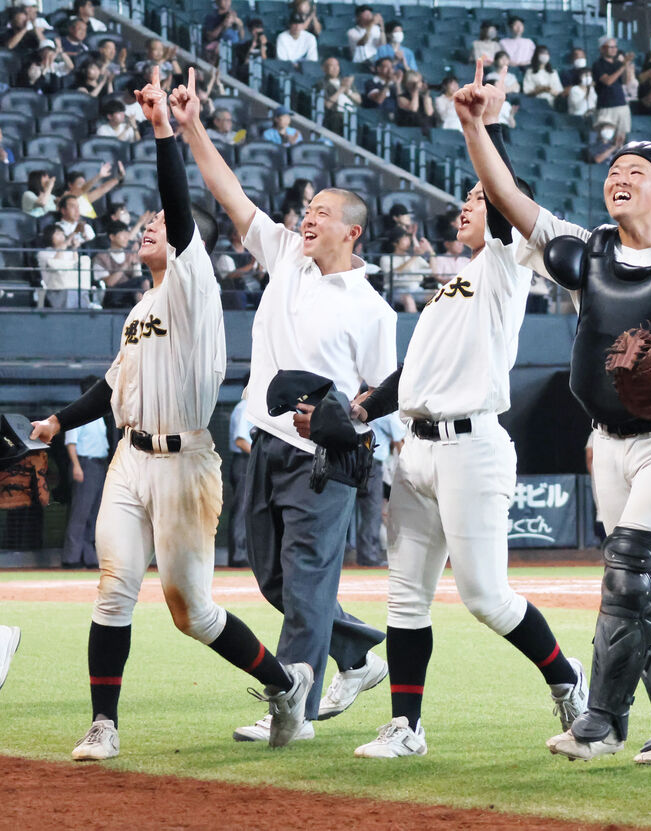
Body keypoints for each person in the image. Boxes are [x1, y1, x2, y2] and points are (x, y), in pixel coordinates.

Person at [459, 49, 651, 762]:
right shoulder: (585, 249)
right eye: (612, 173)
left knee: (628, 567)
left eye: (635, 172)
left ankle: (599, 720)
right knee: (646, 587)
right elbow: (506, 198)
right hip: (608, 441)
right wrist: (479, 128)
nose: (618, 179)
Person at [29, 67, 311, 762]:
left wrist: (163, 131)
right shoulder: (140, 308)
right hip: (131, 459)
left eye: (156, 224)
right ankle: (103, 723)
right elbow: (110, 386)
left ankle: (285, 687)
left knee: (193, 611)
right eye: (146, 224)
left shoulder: (193, 285)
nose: (148, 227)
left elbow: (181, 212)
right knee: (114, 589)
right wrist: (58, 422)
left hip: (185, 463)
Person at [348, 67, 588, 757]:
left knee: (485, 596)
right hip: (416, 448)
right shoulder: (450, 283)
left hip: (471, 446)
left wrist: (488, 122)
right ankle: (406, 726)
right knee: (404, 598)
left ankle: (566, 675)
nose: (466, 205)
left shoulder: (506, 263)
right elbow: (414, 374)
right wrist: (366, 406)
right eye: (466, 198)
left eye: (479, 198)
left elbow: (508, 199)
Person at [175, 67, 396, 739]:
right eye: (307, 208)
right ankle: (357, 652)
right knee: (272, 577)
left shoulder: (373, 308)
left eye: (322, 212)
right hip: (267, 443)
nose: (308, 216)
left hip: (322, 458)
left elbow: (383, 391)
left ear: (351, 232)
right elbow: (230, 193)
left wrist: (348, 420)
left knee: (304, 580)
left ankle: (293, 708)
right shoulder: (286, 256)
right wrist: (191, 127)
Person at [61, 376, 110, 569]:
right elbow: (71, 443)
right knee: (80, 512)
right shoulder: (79, 413)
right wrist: (76, 466)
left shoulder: (98, 415)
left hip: (99, 464)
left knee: (95, 513)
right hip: (85, 464)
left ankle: (90, 557)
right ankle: (71, 558)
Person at [350, 411, 402, 568]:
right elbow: (399, 434)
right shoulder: (382, 411)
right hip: (370, 463)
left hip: (351, 459)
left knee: (347, 510)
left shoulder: (356, 404)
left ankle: (349, 553)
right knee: (371, 510)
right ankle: (368, 555)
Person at [226, 396, 251, 567]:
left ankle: (245, 554)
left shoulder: (251, 405)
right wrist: (260, 455)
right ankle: (239, 555)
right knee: (242, 507)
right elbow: (241, 440)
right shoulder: (246, 406)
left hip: (248, 460)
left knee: (248, 508)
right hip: (245, 461)